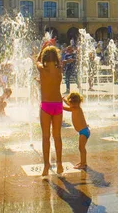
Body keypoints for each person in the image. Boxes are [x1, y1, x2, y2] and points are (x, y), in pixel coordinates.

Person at [36, 45, 64, 176]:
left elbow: (37, 60)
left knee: (45, 137)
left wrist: (41, 50)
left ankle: (46, 165)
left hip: (46, 105)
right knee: (57, 136)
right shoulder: (60, 70)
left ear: (45, 57)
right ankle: (59, 164)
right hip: (58, 104)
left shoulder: (42, 69)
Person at [62, 92, 89, 169]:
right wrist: (63, 99)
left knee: (81, 148)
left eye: (72, 103)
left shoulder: (75, 108)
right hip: (84, 131)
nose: (71, 104)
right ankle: (83, 162)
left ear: (78, 102)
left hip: (84, 132)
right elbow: (68, 104)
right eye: (70, 103)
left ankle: (83, 164)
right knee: (82, 148)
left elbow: (65, 108)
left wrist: (58, 103)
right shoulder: (75, 106)